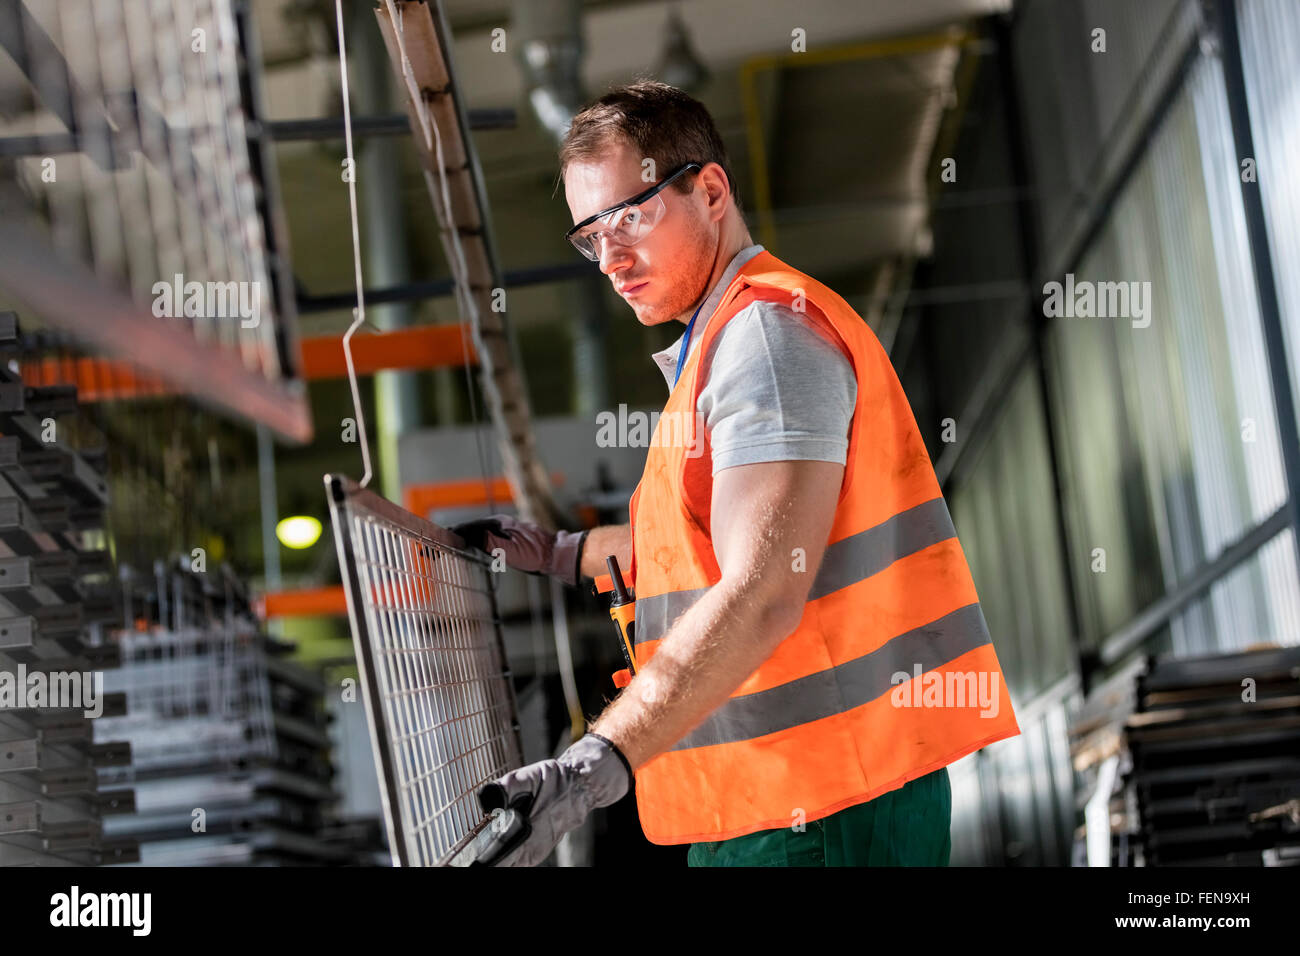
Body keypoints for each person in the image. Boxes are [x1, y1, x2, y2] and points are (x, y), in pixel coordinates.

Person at [453, 80, 1020, 867]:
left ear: (710, 189)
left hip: (819, 806)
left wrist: (593, 768)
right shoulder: (723, 345)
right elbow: (700, 553)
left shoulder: (766, 340)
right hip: (780, 796)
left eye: (631, 215)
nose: (610, 258)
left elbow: (761, 589)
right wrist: (554, 553)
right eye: (589, 235)